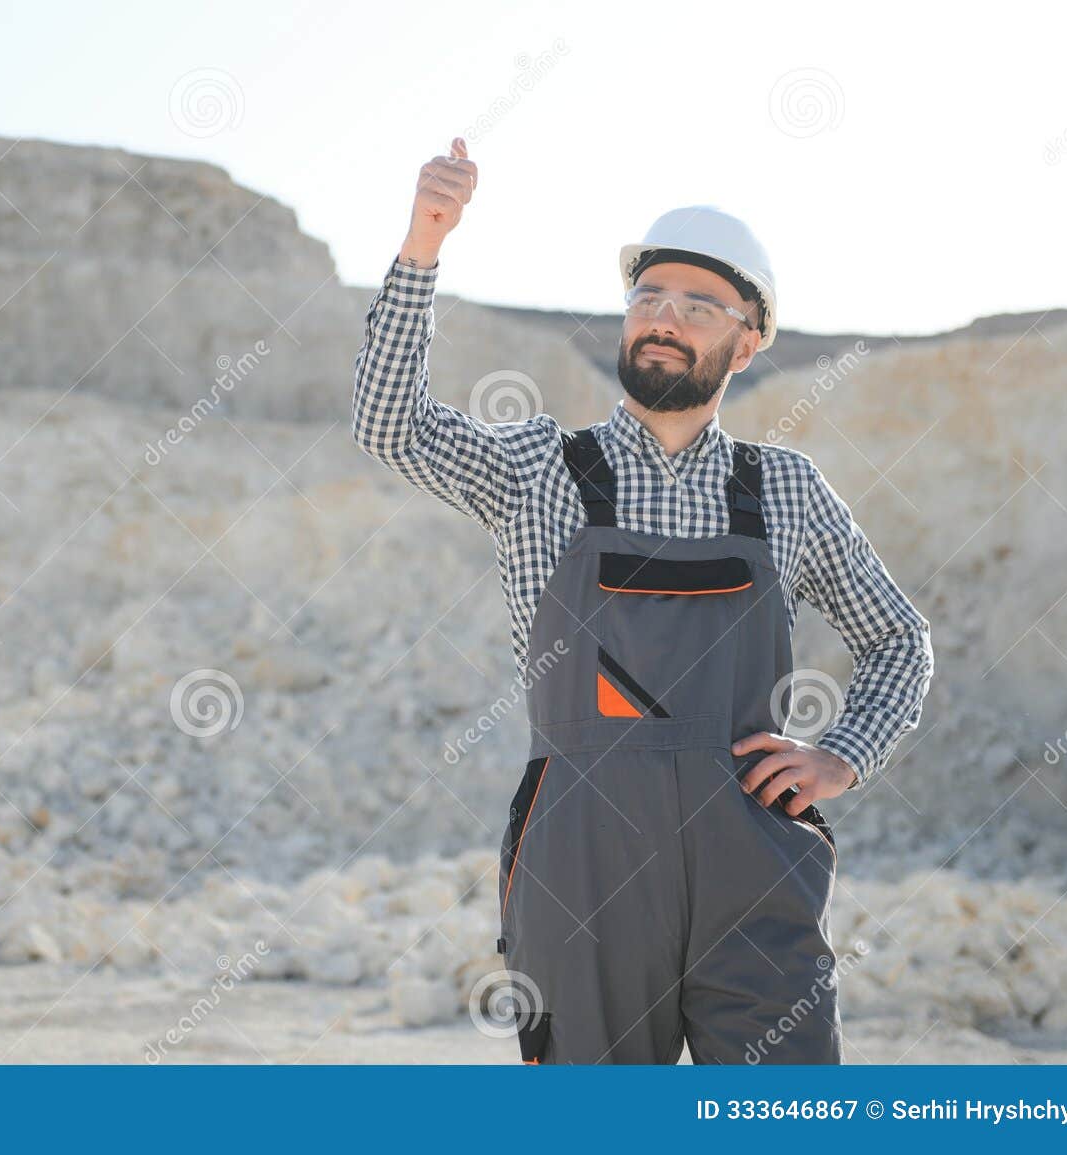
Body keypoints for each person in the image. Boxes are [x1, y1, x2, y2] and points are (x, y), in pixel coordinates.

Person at [350, 137, 934, 1064]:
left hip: (753, 869)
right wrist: (425, 239)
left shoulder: (783, 488)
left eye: (699, 305)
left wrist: (841, 759)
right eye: (649, 297)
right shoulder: (538, 469)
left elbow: (900, 641)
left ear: (746, 342)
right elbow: (388, 423)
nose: (665, 318)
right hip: (582, 866)